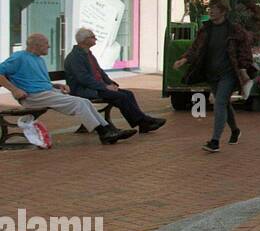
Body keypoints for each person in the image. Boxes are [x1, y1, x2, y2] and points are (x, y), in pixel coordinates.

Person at [0, 34, 136, 144]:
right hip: (33, 96)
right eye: (46, 43)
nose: (49, 46)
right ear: (36, 45)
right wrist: (14, 90)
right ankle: (104, 133)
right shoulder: (19, 57)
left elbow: (39, 81)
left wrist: (57, 85)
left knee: (85, 102)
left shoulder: (39, 59)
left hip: (46, 93)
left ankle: (109, 129)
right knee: (79, 103)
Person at [173, 0, 254, 153]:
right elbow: (196, 47)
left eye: (214, 9)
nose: (210, 11)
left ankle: (215, 141)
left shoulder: (234, 29)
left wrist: (244, 68)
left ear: (223, 11)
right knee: (224, 103)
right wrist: (184, 59)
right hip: (211, 73)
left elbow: (244, 49)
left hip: (228, 73)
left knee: (219, 103)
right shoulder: (206, 29)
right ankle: (235, 130)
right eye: (209, 8)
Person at [65, 27, 166, 134]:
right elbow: (84, 79)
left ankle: (143, 122)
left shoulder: (88, 53)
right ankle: (143, 121)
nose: (96, 38)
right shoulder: (75, 57)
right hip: (85, 90)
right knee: (121, 97)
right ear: (84, 40)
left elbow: (100, 72)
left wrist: (110, 83)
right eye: (92, 37)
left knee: (128, 94)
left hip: (97, 87)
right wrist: (105, 87)